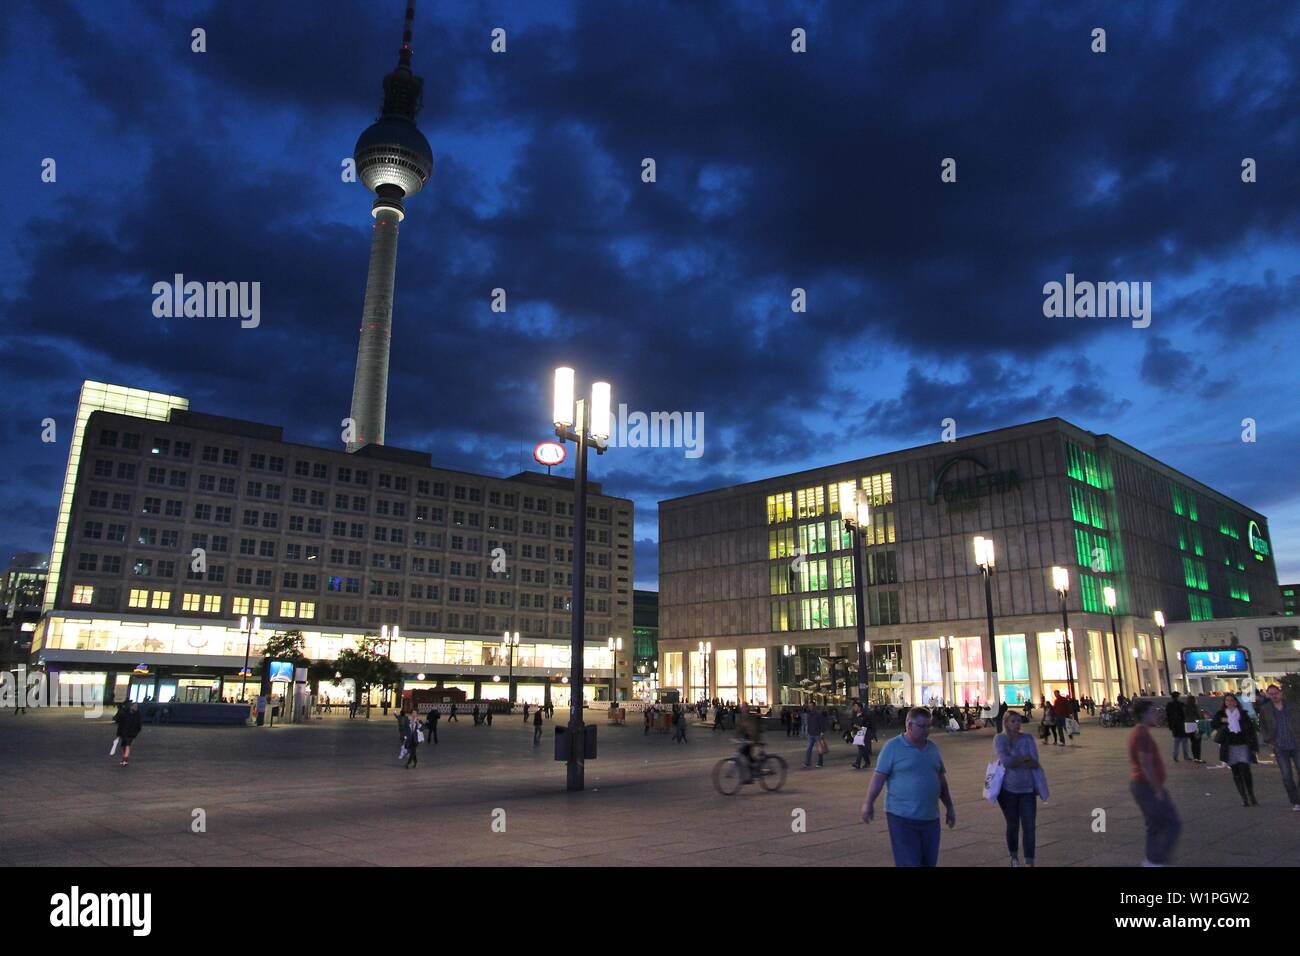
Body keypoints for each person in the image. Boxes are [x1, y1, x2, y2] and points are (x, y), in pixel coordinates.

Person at [862, 708, 956, 867]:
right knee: (910, 862)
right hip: (901, 817)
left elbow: (941, 780)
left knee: (928, 862)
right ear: (909, 725)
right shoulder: (892, 747)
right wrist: (868, 803)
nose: (927, 730)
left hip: (930, 818)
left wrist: (949, 806)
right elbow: (878, 777)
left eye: (929, 726)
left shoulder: (932, 748)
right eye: (922, 726)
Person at [1129, 699, 1181, 866]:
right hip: (1147, 786)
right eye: (1153, 712)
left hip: (1141, 785)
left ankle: (1152, 860)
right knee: (1173, 823)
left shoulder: (1139, 733)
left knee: (1154, 825)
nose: (1157, 714)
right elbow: (1146, 764)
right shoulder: (1142, 735)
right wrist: (1157, 789)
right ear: (1144, 715)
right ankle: (1157, 860)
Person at [993, 711, 1045, 867]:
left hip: (1027, 789)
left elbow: (1035, 762)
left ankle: (1030, 860)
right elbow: (1006, 761)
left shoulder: (1028, 738)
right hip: (1008, 790)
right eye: (1013, 721)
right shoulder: (1000, 739)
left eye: (1018, 721)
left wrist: (1018, 761)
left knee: (1029, 826)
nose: (1017, 724)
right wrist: (1024, 759)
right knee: (1013, 824)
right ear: (1006, 723)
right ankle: (1014, 856)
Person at [1211, 693, 1259, 807]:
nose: (1229, 702)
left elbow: (1251, 731)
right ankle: (1244, 797)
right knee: (1236, 772)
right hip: (1229, 746)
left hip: (1242, 745)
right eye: (1227, 700)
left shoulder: (1242, 714)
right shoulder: (1221, 714)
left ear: (1236, 702)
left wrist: (1254, 747)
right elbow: (1213, 724)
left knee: (1245, 770)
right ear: (1224, 702)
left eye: (1232, 700)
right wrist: (1223, 721)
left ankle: (1251, 794)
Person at [1257, 684, 1300, 811]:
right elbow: (1263, 725)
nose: (1274, 696)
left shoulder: (1292, 706)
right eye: (1271, 693)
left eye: (1275, 693)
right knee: (1287, 775)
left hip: (1296, 743)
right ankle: (1295, 801)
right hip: (1280, 746)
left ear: (1280, 693)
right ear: (1268, 695)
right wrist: (1269, 740)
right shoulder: (1266, 709)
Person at [113, 702, 143, 767]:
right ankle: (125, 758)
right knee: (124, 746)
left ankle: (125, 759)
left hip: (131, 733)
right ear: (130, 706)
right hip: (124, 733)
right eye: (134, 706)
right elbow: (120, 723)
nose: (135, 708)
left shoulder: (137, 715)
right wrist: (119, 733)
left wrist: (135, 733)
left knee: (127, 745)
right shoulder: (125, 713)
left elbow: (139, 726)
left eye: (136, 707)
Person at [1166, 692, 1190, 762]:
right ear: (1178, 697)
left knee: (1177, 741)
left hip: (1174, 725)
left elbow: (1168, 716)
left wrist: (1170, 725)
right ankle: (1186, 755)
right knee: (1184, 741)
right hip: (1181, 724)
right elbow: (1185, 713)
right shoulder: (1181, 704)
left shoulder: (1169, 705)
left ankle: (1175, 756)